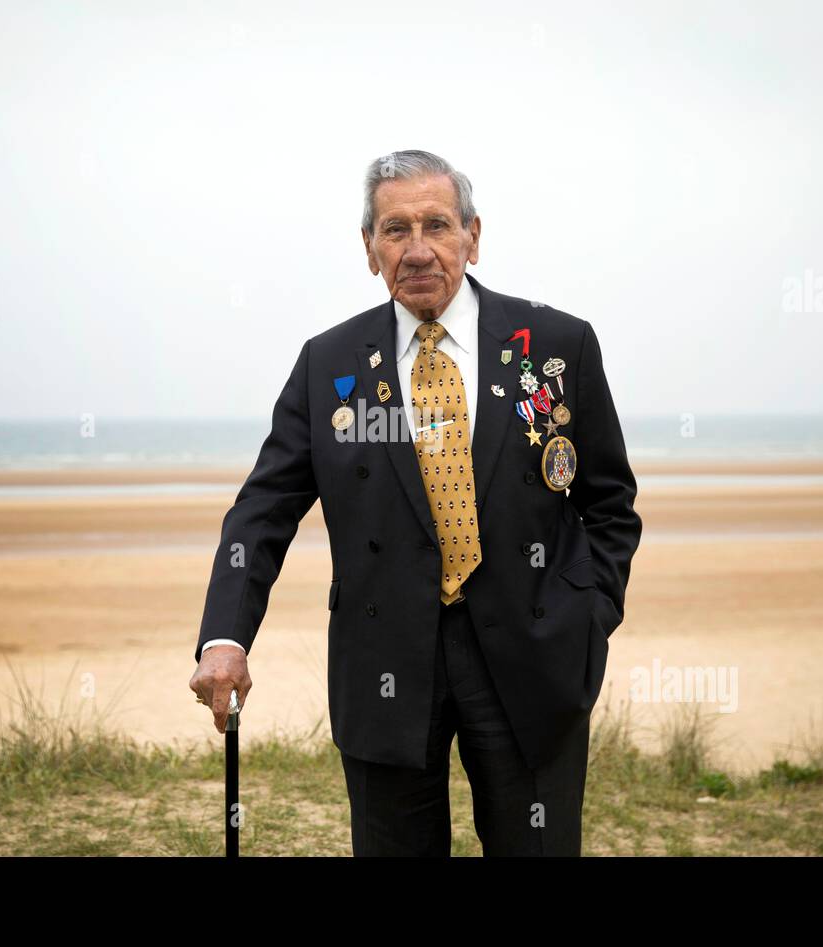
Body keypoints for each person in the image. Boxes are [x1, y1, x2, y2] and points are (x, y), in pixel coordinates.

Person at [189, 149, 642, 855]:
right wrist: (225, 636)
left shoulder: (556, 345)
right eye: (395, 229)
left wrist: (590, 613)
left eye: (437, 224)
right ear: (369, 249)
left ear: (473, 235)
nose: (418, 248)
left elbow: (610, 500)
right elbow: (263, 511)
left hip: (532, 655)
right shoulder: (328, 364)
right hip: (385, 662)